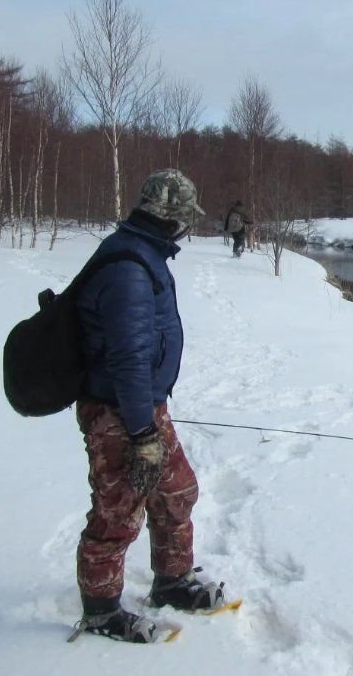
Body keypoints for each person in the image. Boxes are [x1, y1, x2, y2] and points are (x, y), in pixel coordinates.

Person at [70, 169, 224, 643]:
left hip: (142, 407)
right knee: (117, 511)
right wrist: (141, 435)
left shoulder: (144, 254)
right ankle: (101, 613)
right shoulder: (129, 269)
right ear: (171, 216)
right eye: (185, 218)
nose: (188, 227)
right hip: (120, 413)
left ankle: (172, 582)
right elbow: (129, 357)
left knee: (176, 491)